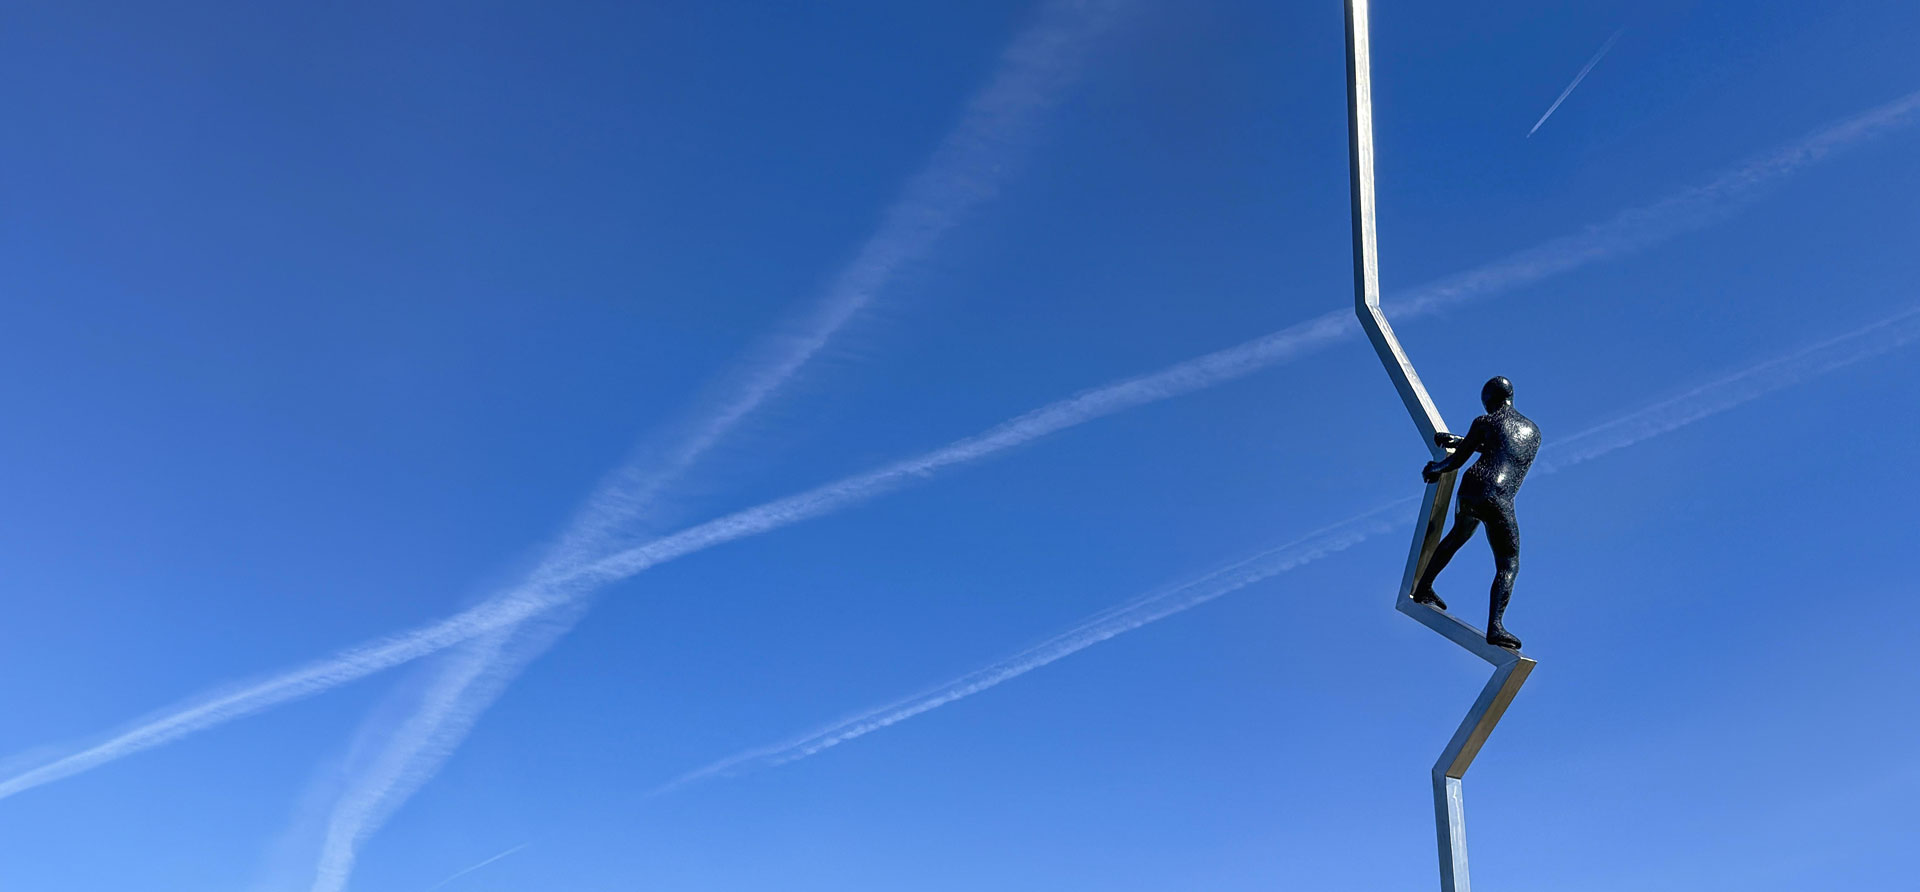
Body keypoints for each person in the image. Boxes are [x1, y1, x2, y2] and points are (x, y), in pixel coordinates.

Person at [1410, 376, 1540, 650]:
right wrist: (1462, 441)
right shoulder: (1533, 431)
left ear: (1489, 401)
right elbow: (1503, 447)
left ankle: (1423, 586)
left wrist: (1434, 469)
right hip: (1499, 496)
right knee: (1508, 563)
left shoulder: (1484, 422)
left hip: (1473, 487)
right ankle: (1496, 626)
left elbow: (1461, 458)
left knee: (1457, 535)